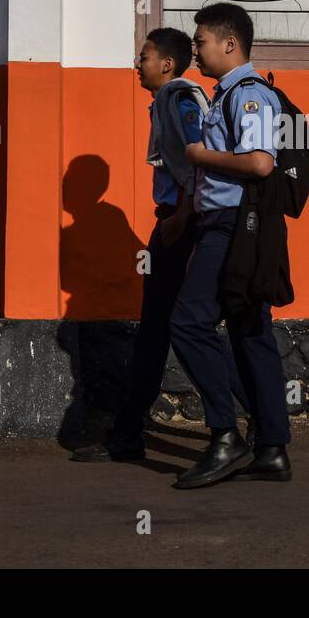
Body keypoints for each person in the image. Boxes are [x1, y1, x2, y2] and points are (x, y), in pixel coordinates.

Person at [71, 27, 250, 463]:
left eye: (144, 56)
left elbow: (198, 158)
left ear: (166, 64)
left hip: (181, 224)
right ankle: (130, 432)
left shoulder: (179, 99)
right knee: (163, 329)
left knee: (179, 327)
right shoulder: (167, 102)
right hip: (177, 222)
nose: (138, 63)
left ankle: (245, 421)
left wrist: (182, 217)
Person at [169, 2, 293, 489]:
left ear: (229, 43)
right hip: (229, 222)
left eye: (200, 41)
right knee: (248, 331)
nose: (194, 50)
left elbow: (260, 163)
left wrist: (201, 154)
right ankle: (272, 448)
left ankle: (226, 434)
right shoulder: (228, 93)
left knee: (189, 321)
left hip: (234, 225)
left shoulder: (248, 94)